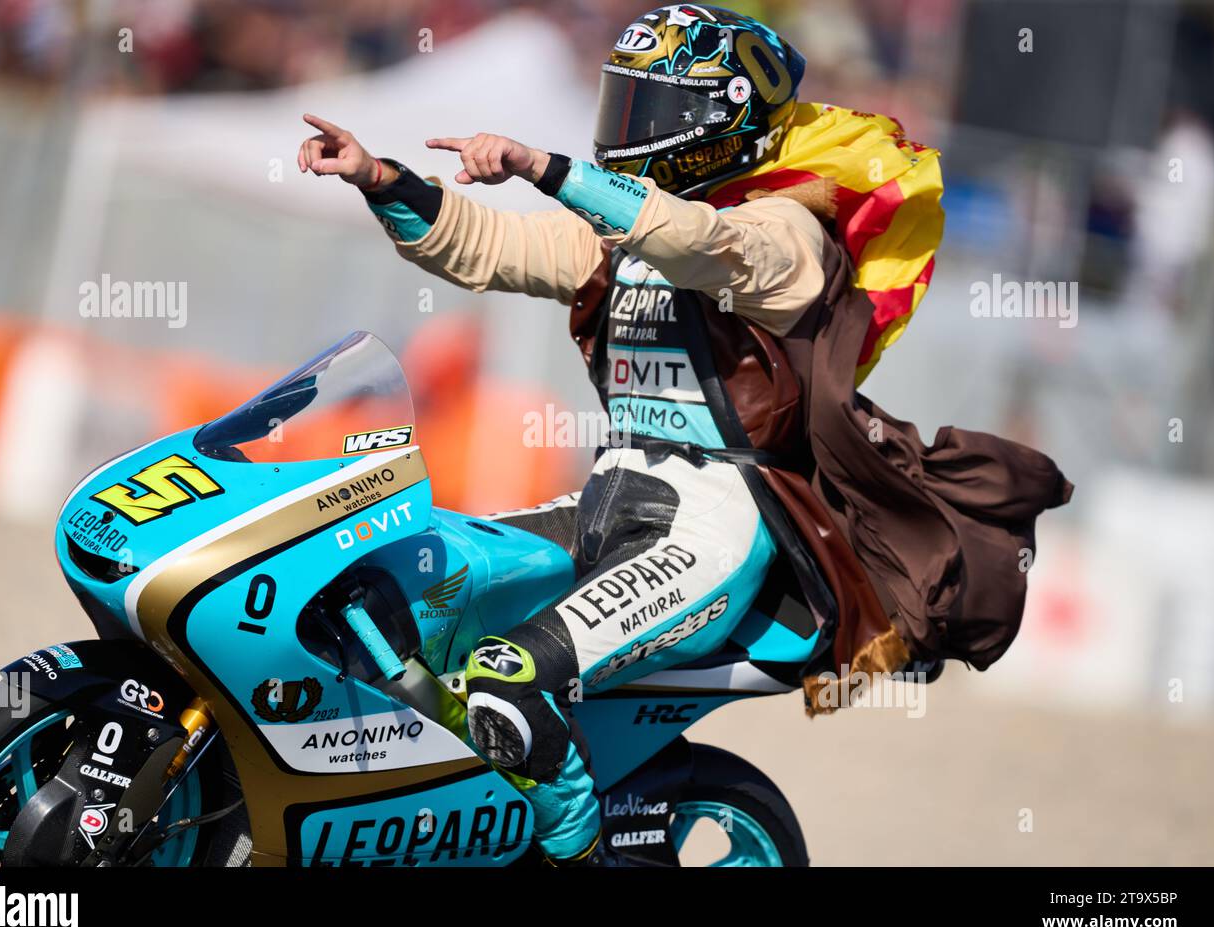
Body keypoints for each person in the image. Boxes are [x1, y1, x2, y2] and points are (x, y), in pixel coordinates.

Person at [296, 4, 1069, 864]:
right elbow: (490, 247)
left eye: (649, 107)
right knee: (382, 584)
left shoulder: (788, 236)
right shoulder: (623, 236)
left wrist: (551, 169)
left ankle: (573, 845)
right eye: (622, 100)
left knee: (506, 680)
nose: (627, 127)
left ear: (718, 122)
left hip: (712, 530)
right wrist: (380, 179)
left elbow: (706, 246)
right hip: (603, 504)